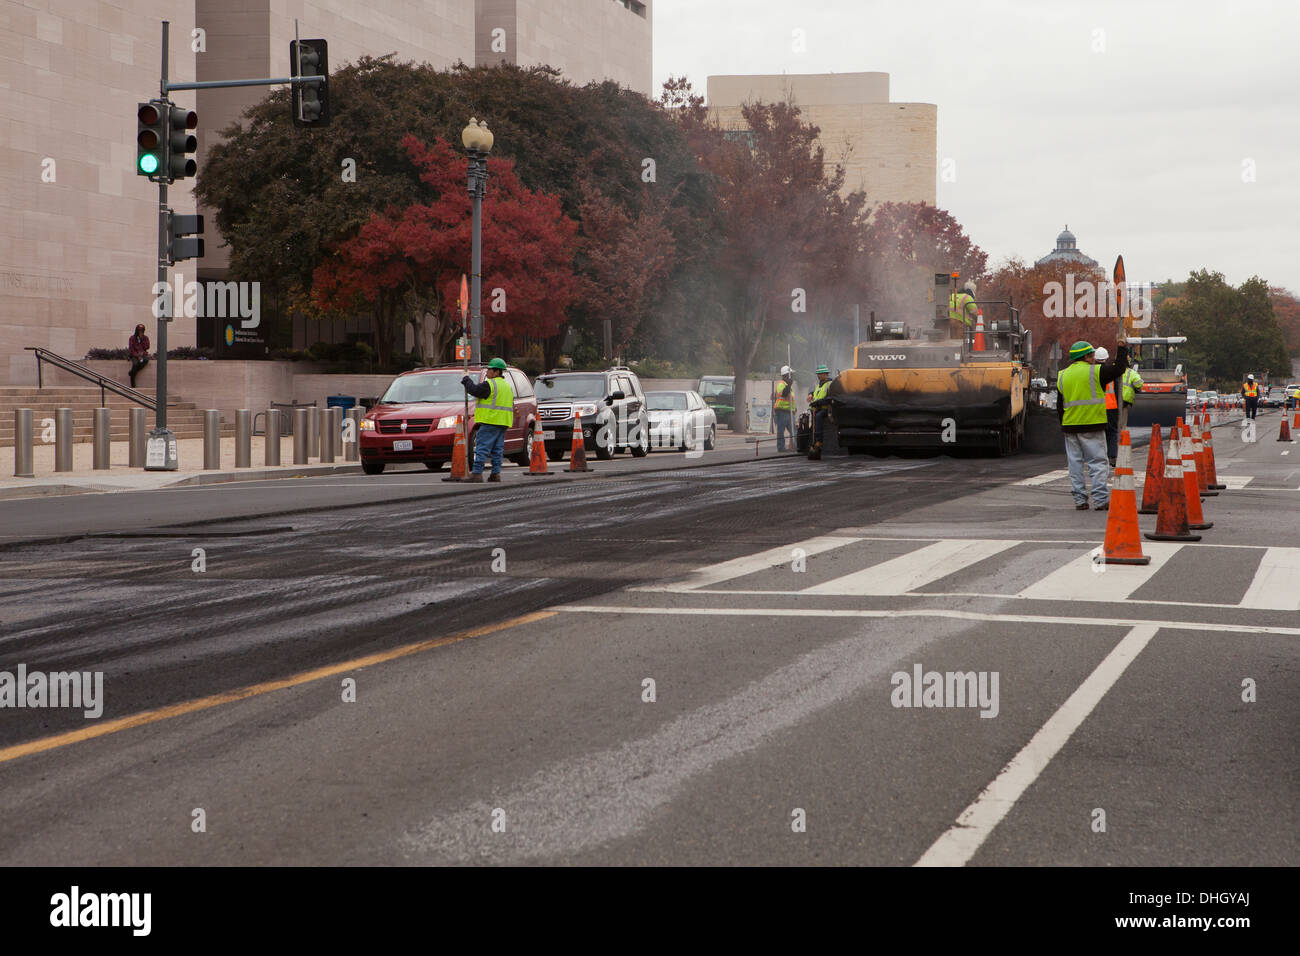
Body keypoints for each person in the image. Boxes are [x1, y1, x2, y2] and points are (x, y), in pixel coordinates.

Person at [1056, 339, 1129, 511]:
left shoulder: (1062, 375)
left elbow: (1060, 406)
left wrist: (1063, 426)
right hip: (1093, 425)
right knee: (1097, 463)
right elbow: (1119, 369)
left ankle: (1080, 500)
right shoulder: (1096, 371)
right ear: (1087, 356)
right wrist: (1122, 348)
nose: (1094, 357)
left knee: (1075, 464)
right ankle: (1100, 499)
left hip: (1070, 427)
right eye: (1092, 354)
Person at [460, 357, 514, 483]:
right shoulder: (506, 386)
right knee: (497, 449)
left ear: (497, 372)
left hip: (491, 421)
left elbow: (474, 390)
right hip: (503, 422)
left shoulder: (490, 384)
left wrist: (466, 379)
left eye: (489, 370)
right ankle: (495, 474)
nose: (487, 372)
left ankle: (477, 473)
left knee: (482, 447)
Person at [1095, 346, 1119, 466]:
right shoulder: (1111, 372)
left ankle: (1100, 456)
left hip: (1096, 407)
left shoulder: (1091, 372)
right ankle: (1112, 456)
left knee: (1099, 432)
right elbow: (1117, 390)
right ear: (1106, 358)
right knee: (1112, 432)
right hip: (1111, 406)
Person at [807, 364, 832, 461]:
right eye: (818, 374)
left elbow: (829, 398)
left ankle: (819, 442)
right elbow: (816, 392)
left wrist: (818, 403)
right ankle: (813, 442)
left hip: (826, 409)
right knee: (814, 420)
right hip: (817, 409)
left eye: (820, 374)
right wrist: (811, 394)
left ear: (826, 374)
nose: (818, 376)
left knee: (818, 417)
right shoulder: (819, 385)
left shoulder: (830, 384)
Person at [772, 365, 796, 452]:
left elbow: (791, 399)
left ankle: (795, 446)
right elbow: (784, 394)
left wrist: (794, 409)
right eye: (790, 374)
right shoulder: (781, 384)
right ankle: (781, 448)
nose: (792, 376)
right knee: (781, 430)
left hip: (789, 411)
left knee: (794, 431)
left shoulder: (788, 385)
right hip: (782, 411)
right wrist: (789, 385)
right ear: (786, 375)